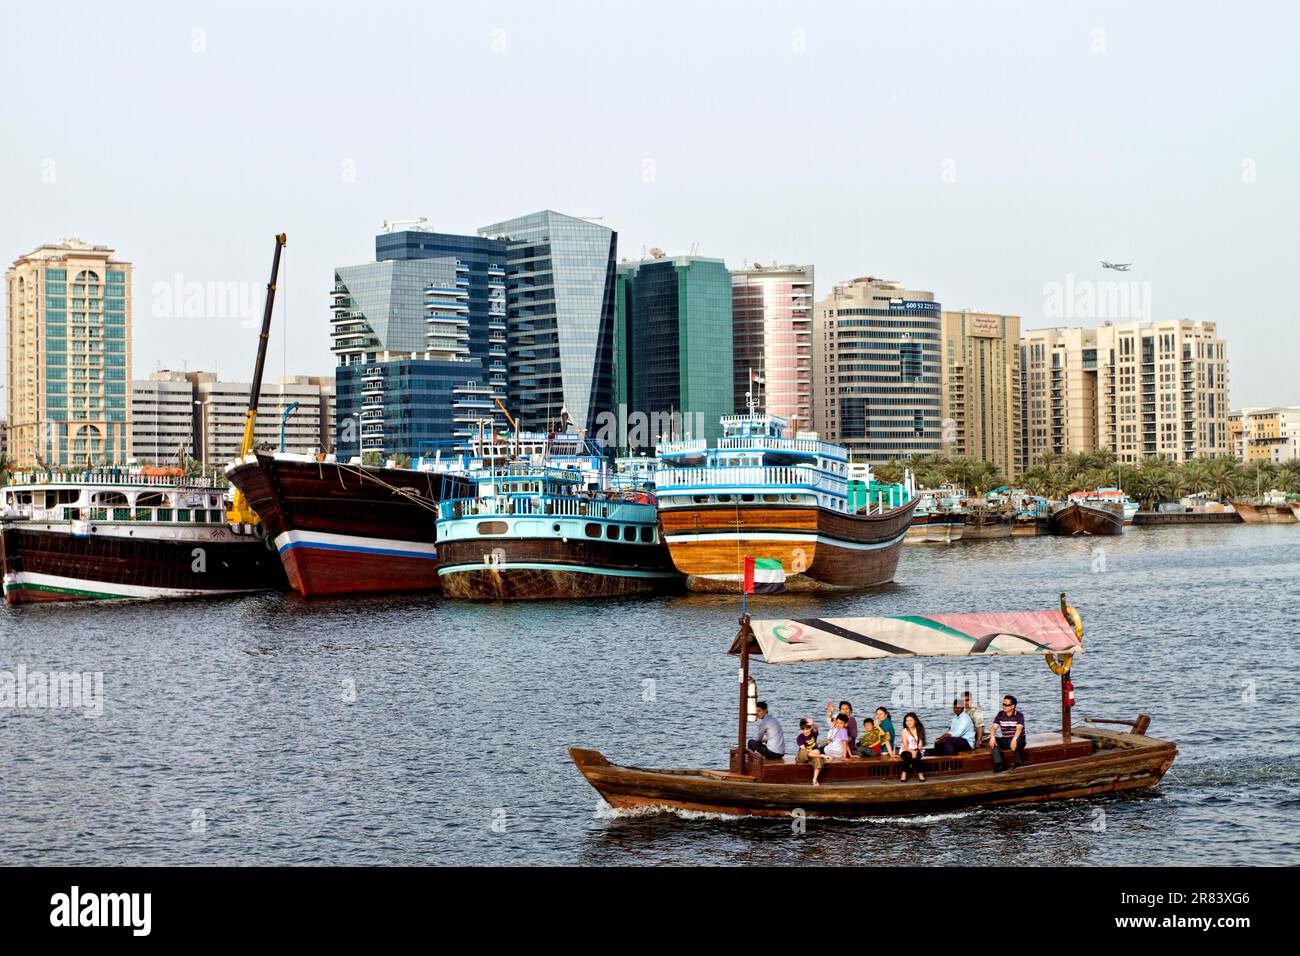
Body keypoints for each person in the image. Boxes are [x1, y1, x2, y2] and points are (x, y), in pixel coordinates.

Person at [989, 694, 1027, 772]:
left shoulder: (1019, 715)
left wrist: (1014, 739)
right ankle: (1000, 764)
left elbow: (1019, 729)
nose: (1004, 706)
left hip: (1018, 739)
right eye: (1003, 704)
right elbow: (994, 727)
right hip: (1006, 739)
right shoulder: (1000, 714)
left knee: (1017, 740)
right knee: (992, 741)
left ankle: (1018, 763)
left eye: (1007, 705)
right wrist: (992, 737)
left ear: (1013, 706)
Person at [795, 717, 825, 785]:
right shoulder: (800, 737)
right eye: (803, 729)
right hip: (803, 756)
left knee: (819, 759)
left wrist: (811, 723)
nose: (805, 731)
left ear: (810, 728)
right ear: (801, 729)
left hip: (813, 755)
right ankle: (820, 755)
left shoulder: (813, 733)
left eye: (807, 728)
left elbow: (816, 728)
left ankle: (814, 780)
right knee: (804, 751)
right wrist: (816, 753)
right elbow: (804, 749)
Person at [898, 712, 926, 782]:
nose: (908, 722)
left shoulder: (920, 730)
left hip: (918, 749)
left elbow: (920, 744)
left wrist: (915, 751)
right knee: (908, 756)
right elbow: (905, 746)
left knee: (916, 756)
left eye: (910, 720)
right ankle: (905, 774)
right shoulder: (904, 731)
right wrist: (912, 752)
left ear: (915, 721)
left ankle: (919, 774)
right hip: (906, 750)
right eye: (907, 721)